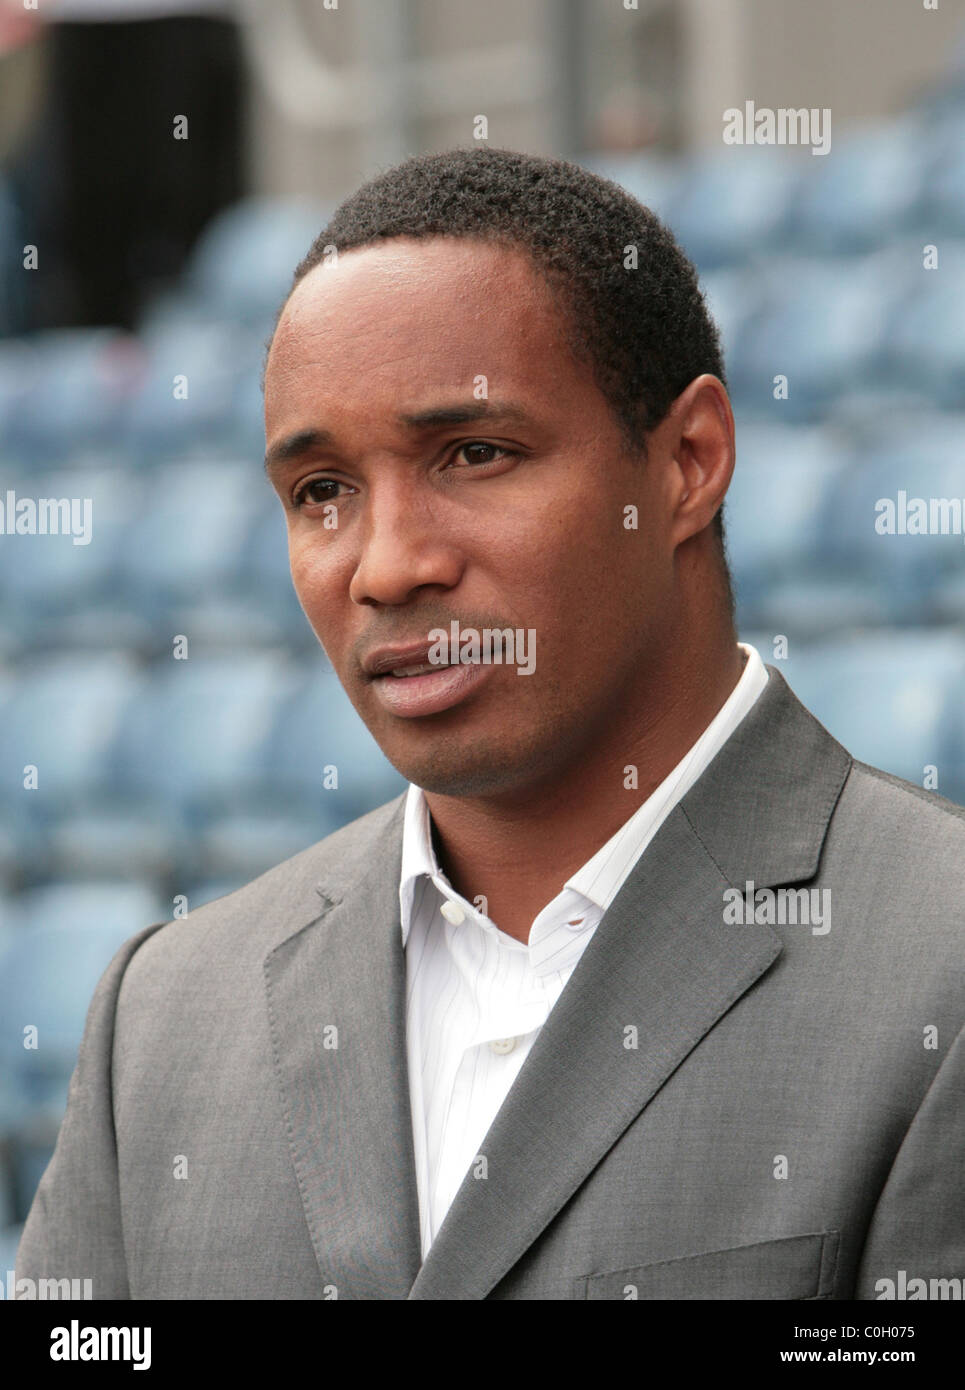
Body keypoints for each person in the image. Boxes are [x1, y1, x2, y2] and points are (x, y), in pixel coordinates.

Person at [17, 148, 965, 1300]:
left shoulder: (935, 962)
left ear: (687, 463)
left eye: (473, 454)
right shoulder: (162, 1020)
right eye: (322, 490)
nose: (387, 565)